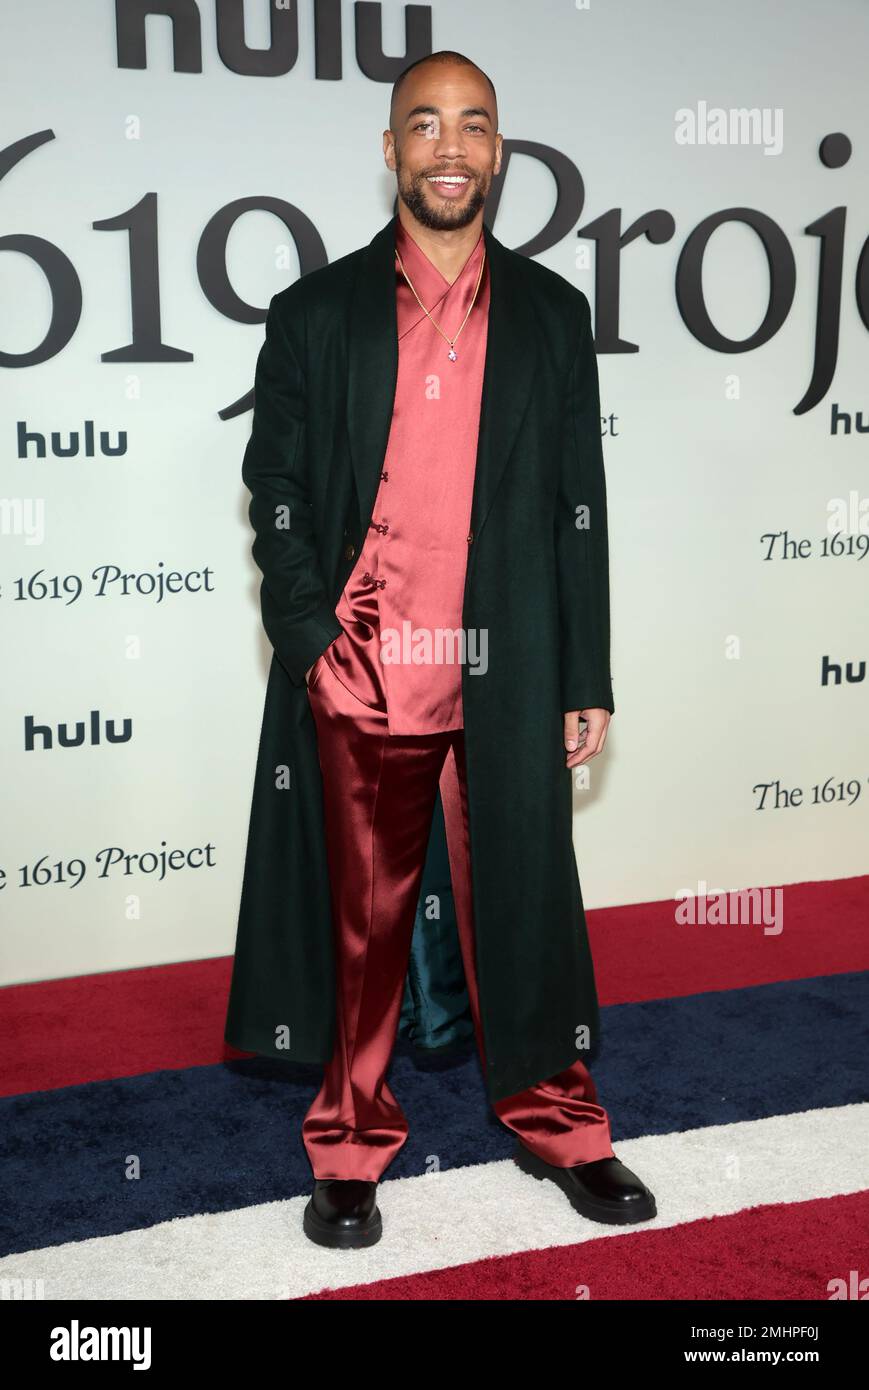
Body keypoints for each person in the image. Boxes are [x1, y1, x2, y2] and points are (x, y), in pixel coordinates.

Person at [225, 49, 656, 1249]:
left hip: (508, 664)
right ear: (390, 151)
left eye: (473, 125)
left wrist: (584, 674)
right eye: (426, 124)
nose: (450, 147)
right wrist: (312, 637)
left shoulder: (554, 315)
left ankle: (559, 1122)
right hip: (366, 665)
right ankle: (350, 1145)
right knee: (362, 924)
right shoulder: (314, 314)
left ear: (499, 151)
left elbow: (582, 501)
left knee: (526, 902)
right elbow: (273, 488)